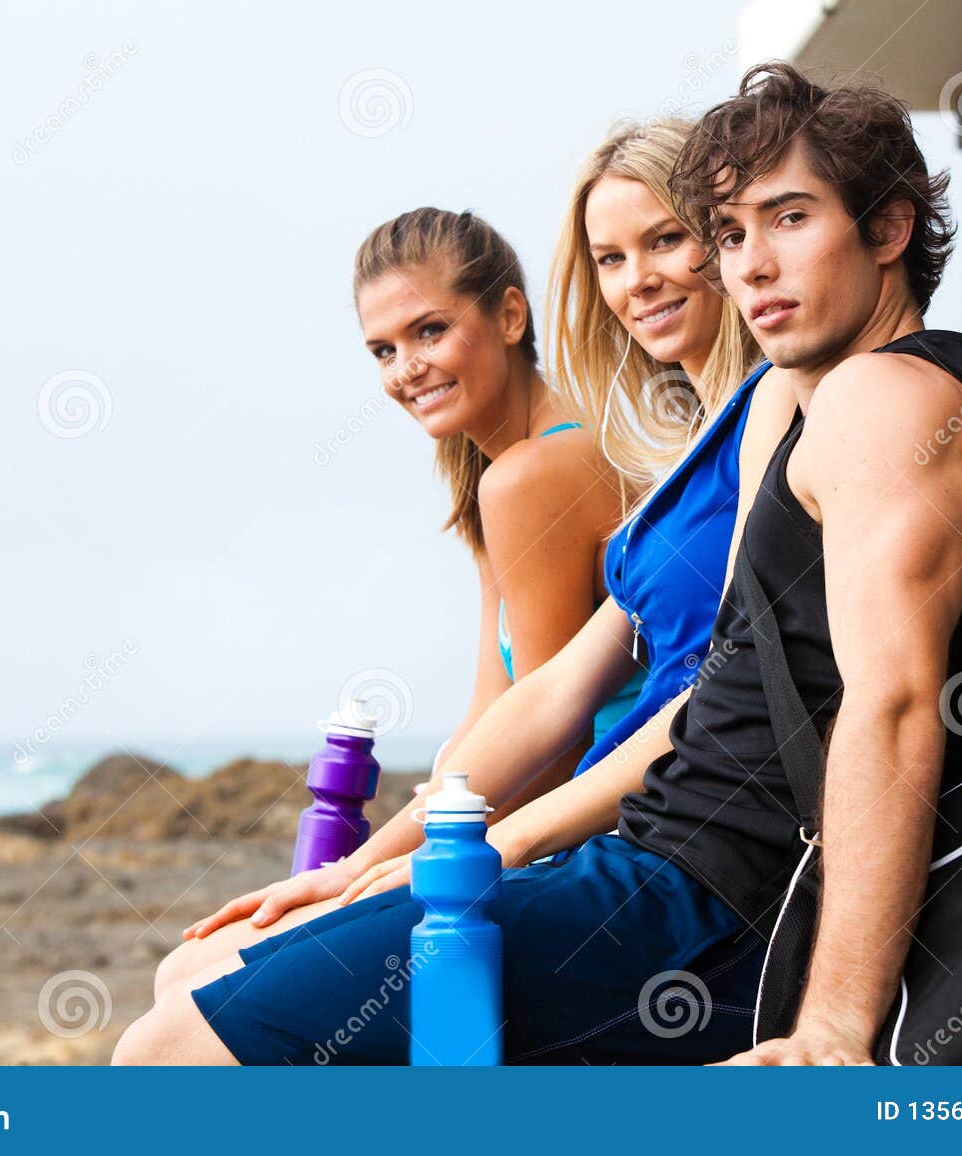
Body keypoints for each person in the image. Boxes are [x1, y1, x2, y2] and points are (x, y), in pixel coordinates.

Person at [114, 65, 962, 1063]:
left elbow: (902, 702)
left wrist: (833, 1025)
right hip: (660, 863)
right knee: (193, 1009)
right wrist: (465, 845)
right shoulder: (799, 400)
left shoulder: (881, 402)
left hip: (710, 905)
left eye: (786, 220)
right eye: (731, 235)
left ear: (887, 230)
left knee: (171, 1050)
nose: (750, 266)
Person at [144, 119, 768, 1001]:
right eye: (383, 350)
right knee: (208, 967)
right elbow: (497, 712)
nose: (406, 369)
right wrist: (374, 856)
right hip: (552, 820)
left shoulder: (537, 473)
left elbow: (554, 743)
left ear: (511, 315)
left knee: (192, 978)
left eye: (429, 331)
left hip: (608, 836)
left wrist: (405, 863)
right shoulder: (500, 478)